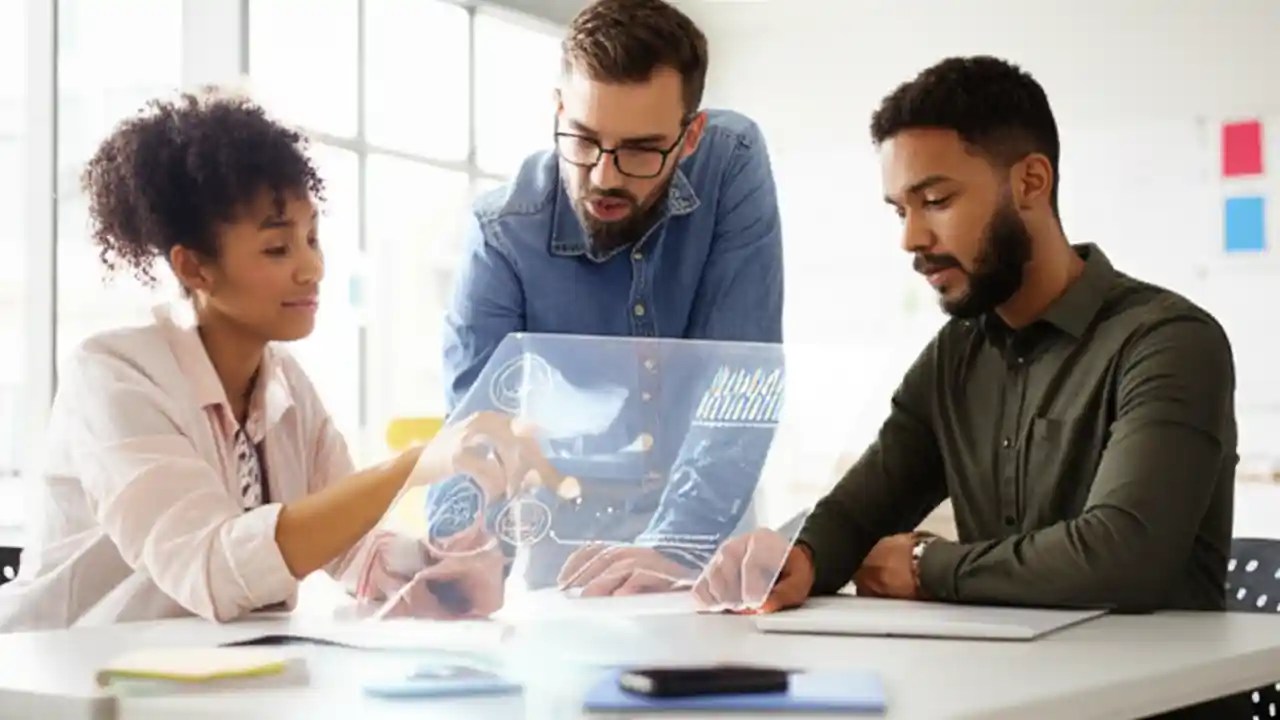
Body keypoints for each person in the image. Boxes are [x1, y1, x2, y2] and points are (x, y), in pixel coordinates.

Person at [696, 58, 1243, 717]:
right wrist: (801, 557)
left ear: (1031, 182)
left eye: (936, 200)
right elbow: (863, 508)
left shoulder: (1169, 341)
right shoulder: (955, 355)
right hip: (1009, 699)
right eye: (900, 209)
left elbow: (1125, 556)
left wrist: (930, 567)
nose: (911, 238)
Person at [0, 92, 535, 631]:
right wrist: (414, 464)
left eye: (311, 238)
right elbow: (212, 568)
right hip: (56, 681)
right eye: (278, 249)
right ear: (194, 268)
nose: (312, 269)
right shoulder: (114, 376)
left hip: (193, 683)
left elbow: (352, 549)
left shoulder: (285, 387)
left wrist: (440, 568)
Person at [435, 0, 785, 593]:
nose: (603, 176)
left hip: (705, 556)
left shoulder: (732, 162)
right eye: (583, 139)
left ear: (691, 136)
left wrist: (674, 547)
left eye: (642, 149)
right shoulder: (500, 234)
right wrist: (461, 546)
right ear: (558, 108)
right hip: (571, 564)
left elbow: (741, 380)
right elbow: (475, 427)